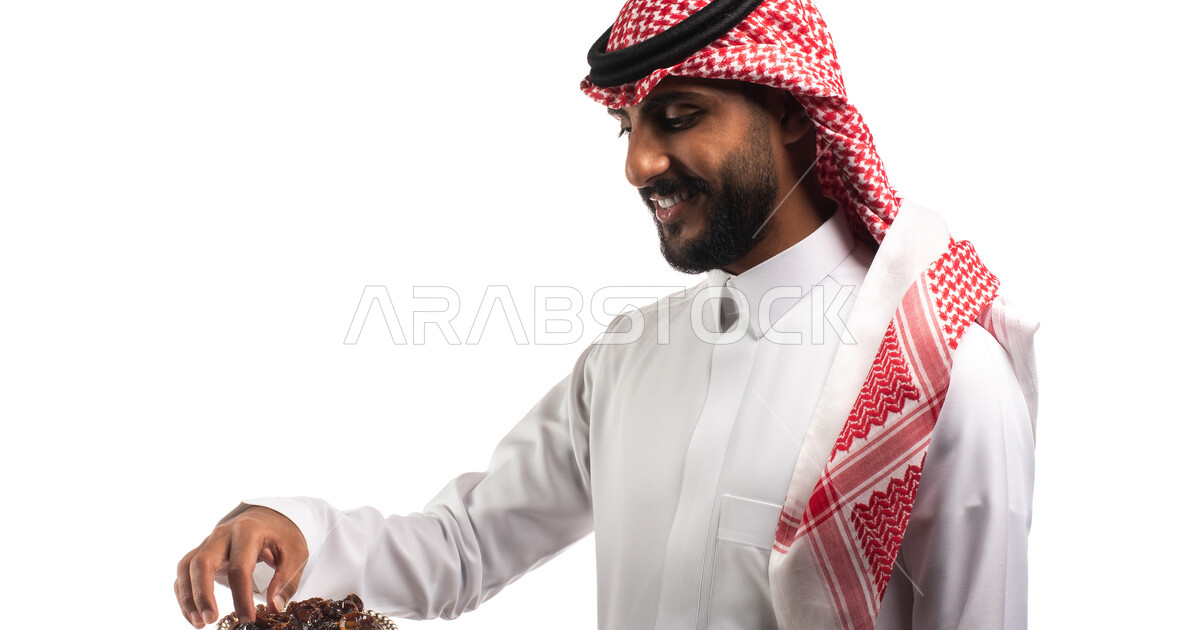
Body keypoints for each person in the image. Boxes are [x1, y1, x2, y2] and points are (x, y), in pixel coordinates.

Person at [175, 0, 1039, 628]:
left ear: (787, 111)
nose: (638, 163)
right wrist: (296, 529)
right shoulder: (629, 360)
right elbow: (467, 545)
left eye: (677, 117)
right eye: (626, 126)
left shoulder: (943, 378)